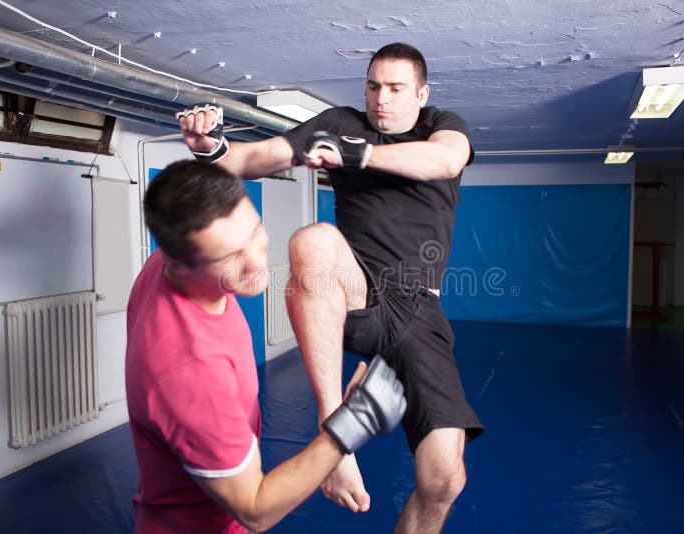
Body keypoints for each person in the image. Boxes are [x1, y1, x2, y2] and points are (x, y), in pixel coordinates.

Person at [177, 42, 484, 533]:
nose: (381, 98)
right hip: (354, 291)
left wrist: (357, 155)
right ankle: (334, 432)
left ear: (421, 94)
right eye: (373, 86)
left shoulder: (441, 126)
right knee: (314, 241)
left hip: (419, 315)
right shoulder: (339, 123)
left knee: (444, 480)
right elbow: (258, 156)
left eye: (396, 88)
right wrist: (210, 148)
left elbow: (446, 160)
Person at [125, 160, 406, 533]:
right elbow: (255, 510)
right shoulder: (192, 375)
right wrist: (350, 426)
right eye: (228, 256)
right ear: (180, 266)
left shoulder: (167, 261)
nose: (256, 263)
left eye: (255, 232)